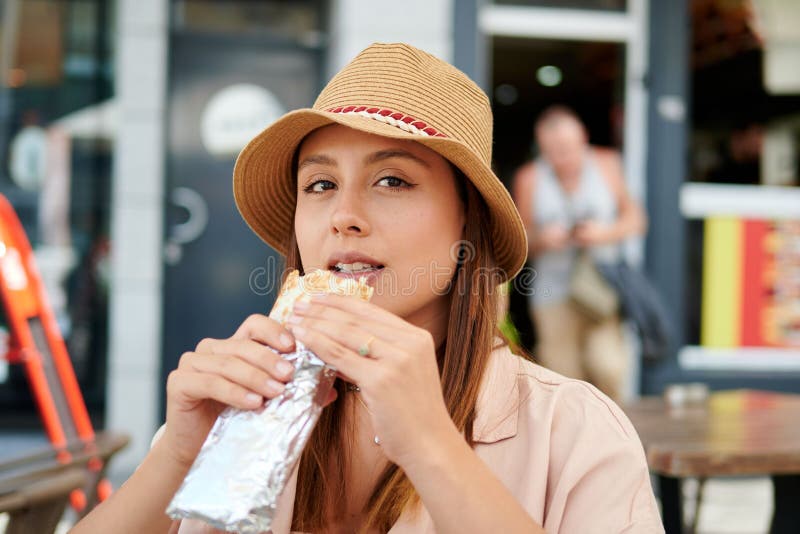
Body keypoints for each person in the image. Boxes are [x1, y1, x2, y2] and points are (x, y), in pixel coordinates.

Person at [74, 43, 662, 533]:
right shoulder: (236, 413)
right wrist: (176, 452)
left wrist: (433, 447)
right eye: (321, 184)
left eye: (391, 179)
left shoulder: (575, 431)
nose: (343, 216)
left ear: (467, 224)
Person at [512, 106, 647, 403]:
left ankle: (613, 438)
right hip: (552, 291)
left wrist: (602, 233)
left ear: (583, 139)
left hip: (598, 288)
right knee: (561, 375)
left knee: (609, 366)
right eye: (556, 151)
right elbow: (518, 241)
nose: (566, 158)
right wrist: (544, 239)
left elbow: (636, 220)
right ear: (542, 148)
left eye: (571, 148)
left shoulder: (607, 164)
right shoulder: (530, 177)